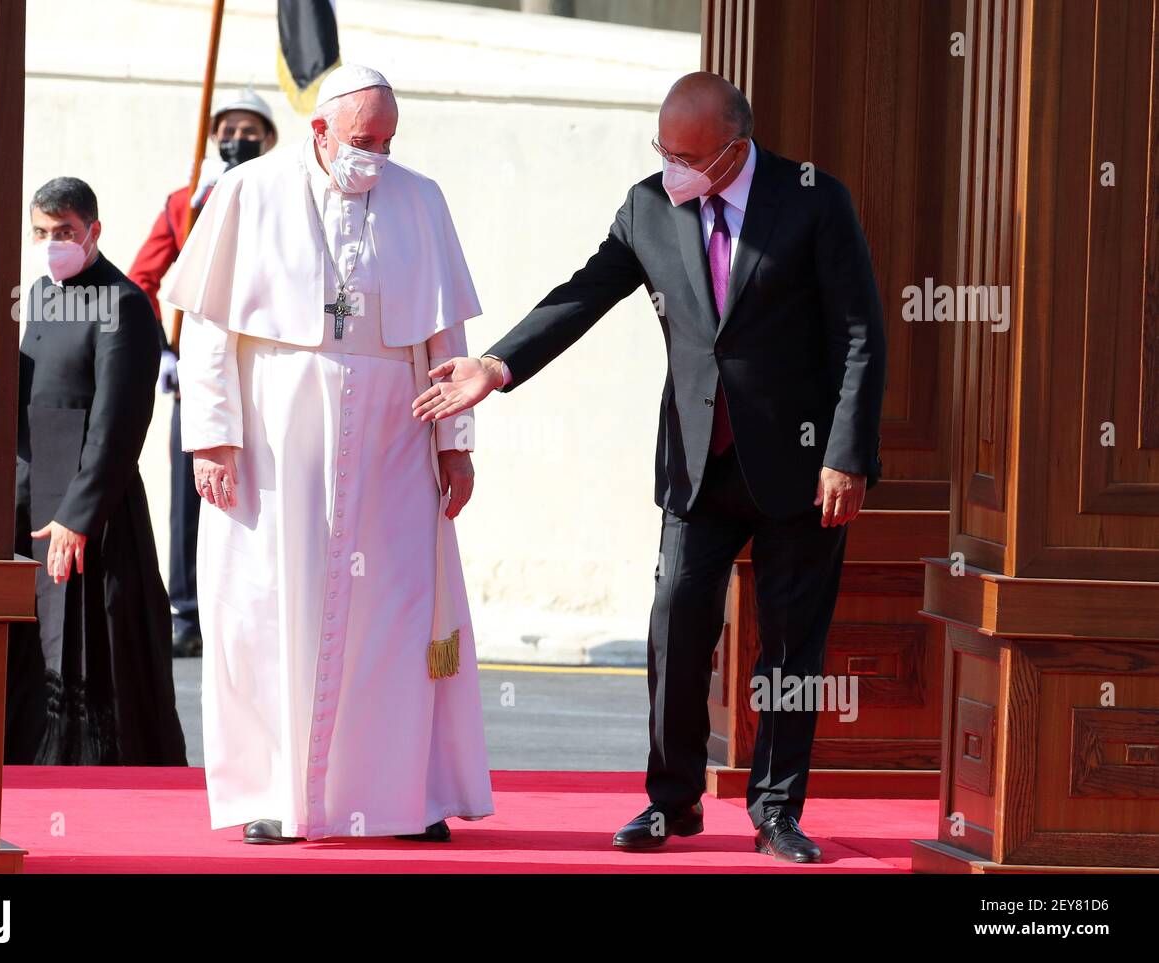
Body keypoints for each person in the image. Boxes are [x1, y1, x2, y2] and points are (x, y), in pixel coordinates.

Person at [413, 72, 887, 862]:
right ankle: (672, 803)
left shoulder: (813, 199)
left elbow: (861, 334)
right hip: (699, 466)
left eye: (689, 156)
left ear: (737, 149)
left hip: (802, 469)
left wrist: (846, 454)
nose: (674, 168)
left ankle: (776, 810)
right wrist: (495, 366)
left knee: (791, 646)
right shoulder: (649, 206)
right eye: (663, 150)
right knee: (675, 624)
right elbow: (585, 293)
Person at [160, 65, 493, 843]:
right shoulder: (247, 193)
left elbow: (448, 337)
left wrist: (458, 445)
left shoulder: (421, 198)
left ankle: (400, 800)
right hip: (279, 435)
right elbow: (208, 326)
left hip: (394, 435)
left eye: (387, 141)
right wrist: (213, 435)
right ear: (320, 130)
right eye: (362, 140)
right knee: (269, 605)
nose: (376, 155)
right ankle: (277, 796)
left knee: (401, 612)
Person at [8, 176, 187, 766]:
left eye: (64, 232)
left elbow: (118, 425)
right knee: (33, 649)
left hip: (93, 511)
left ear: (93, 232)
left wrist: (77, 517)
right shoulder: (36, 293)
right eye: (41, 232)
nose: (52, 243)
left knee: (93, 648)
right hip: (28, 500)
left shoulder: (127, 303)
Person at [128, 86, 279, 659]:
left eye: (250, 132)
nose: (237, 140)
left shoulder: (287, 197)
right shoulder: (186, 201)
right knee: (191, 494)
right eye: (228, 130)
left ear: (268, 140)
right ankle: (186, 612)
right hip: (199, 368)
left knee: (269, 489)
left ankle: (258, 613)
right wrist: (160, 351)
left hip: (266, 370)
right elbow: (144, 279)